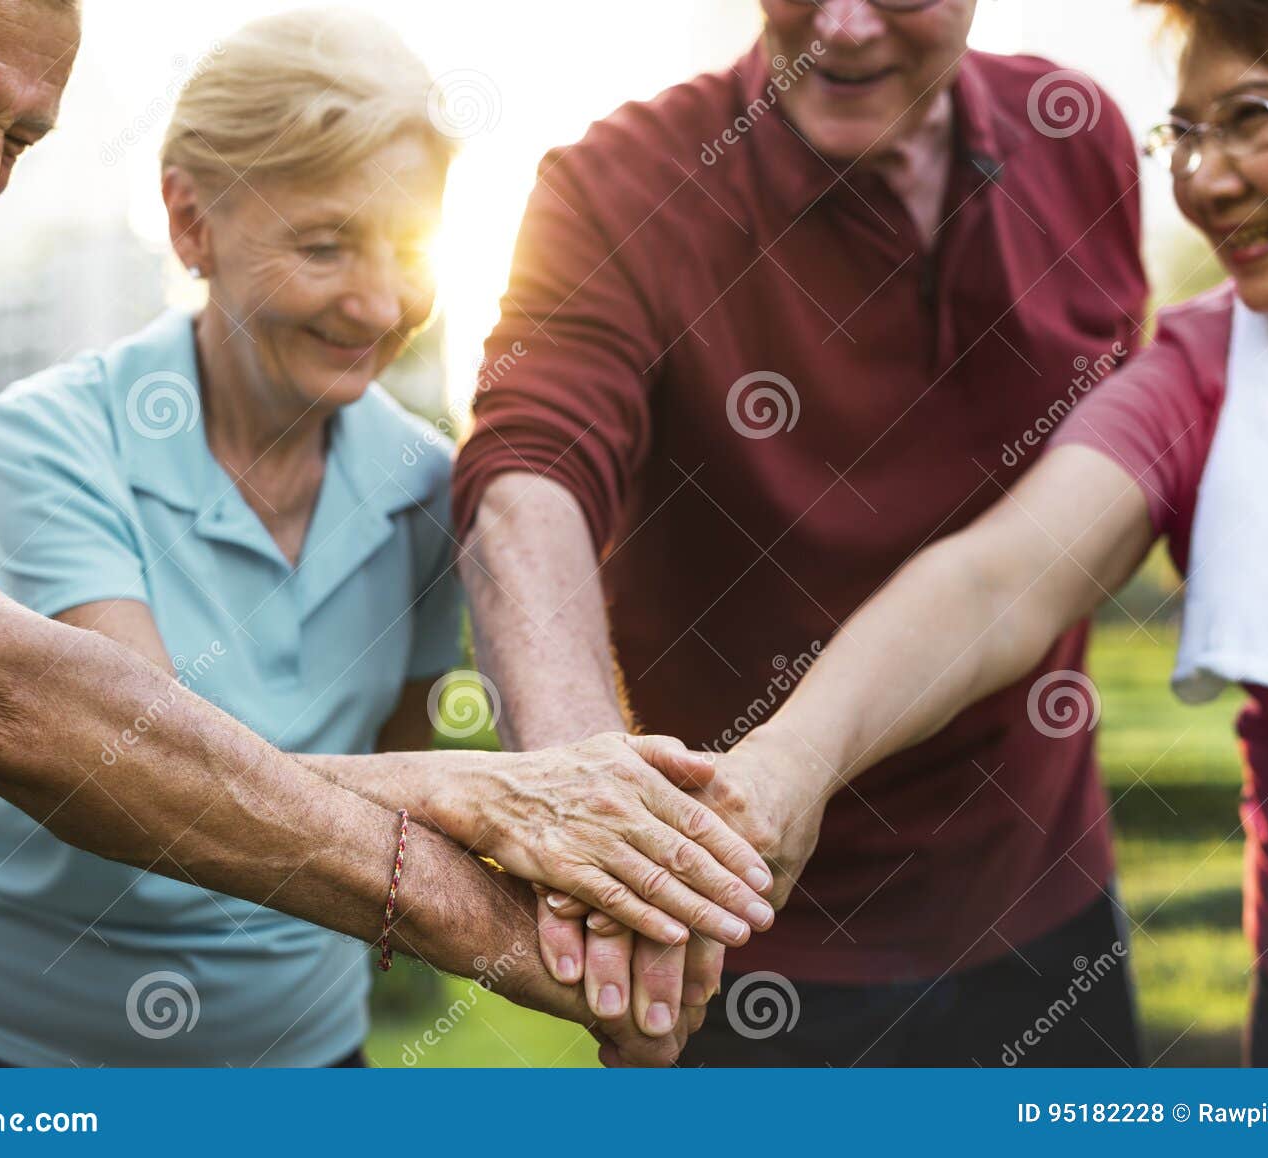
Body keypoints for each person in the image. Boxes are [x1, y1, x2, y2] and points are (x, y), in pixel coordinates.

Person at [0, 0, 766, 1067]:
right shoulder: (51, 436)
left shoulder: (422, 485)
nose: (374, 303)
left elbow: (389, 792)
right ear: (190, 223)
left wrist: (592, 903)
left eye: (408, 251)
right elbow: (115, 774)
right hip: (15, 1049)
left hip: (304, 1054)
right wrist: (479, 809)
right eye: (322, 246)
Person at [684, 0, 1268, 1068]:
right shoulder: (1204, 378)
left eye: (1251, 116)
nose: (1205, 179)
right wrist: (788, 763)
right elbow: (1000, 579)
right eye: (1186, 133)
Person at [454, 0, 1147, 1064]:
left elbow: (1100, 479)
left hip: (1044, 903)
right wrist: (589, 799)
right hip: (743, 935)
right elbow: (527, 476)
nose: (842, 27)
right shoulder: (617, 185)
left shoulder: (1080, 134)